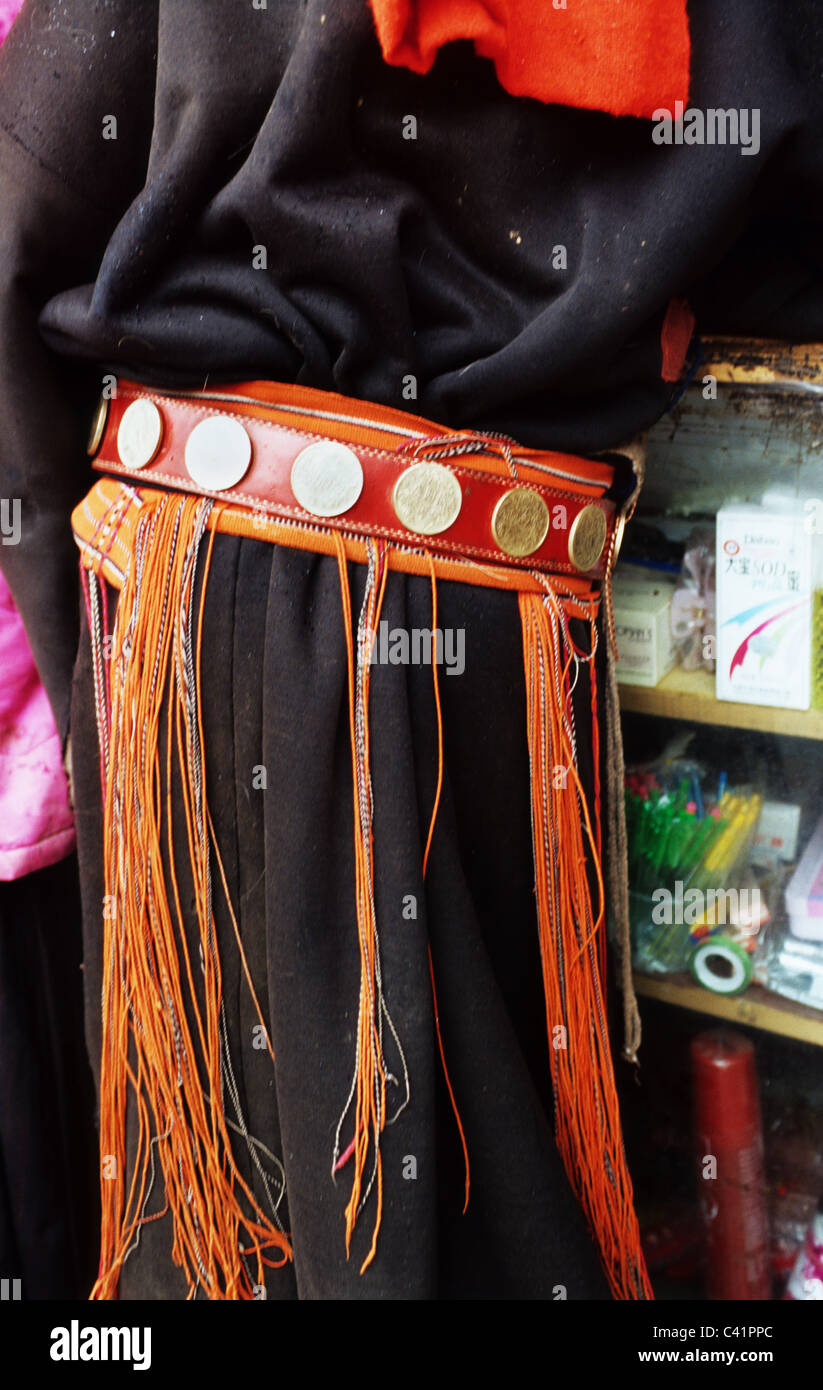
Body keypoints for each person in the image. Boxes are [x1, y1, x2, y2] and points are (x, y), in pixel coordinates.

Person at [1, 0, 822, 1301]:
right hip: (468, 623)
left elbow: (20, 213)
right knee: (428, 1207)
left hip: (220, 617)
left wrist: (94, 658)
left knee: (260, 1220)